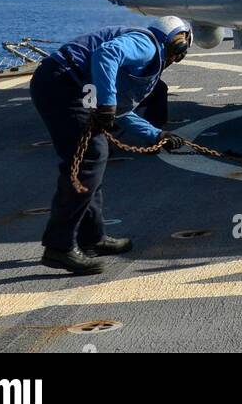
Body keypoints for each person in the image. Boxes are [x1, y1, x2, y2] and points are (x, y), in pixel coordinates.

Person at [29, 16, 192, 274]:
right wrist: (106, 103)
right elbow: (108, 52)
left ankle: (92, 238)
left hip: (64, 85)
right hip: (63, 85)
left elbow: (121, 111)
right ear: (178, 44)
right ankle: (58, 247)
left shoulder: (143, 57)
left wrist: (156, 135)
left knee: (93, 162)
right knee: (88, 159)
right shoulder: (147, 45)